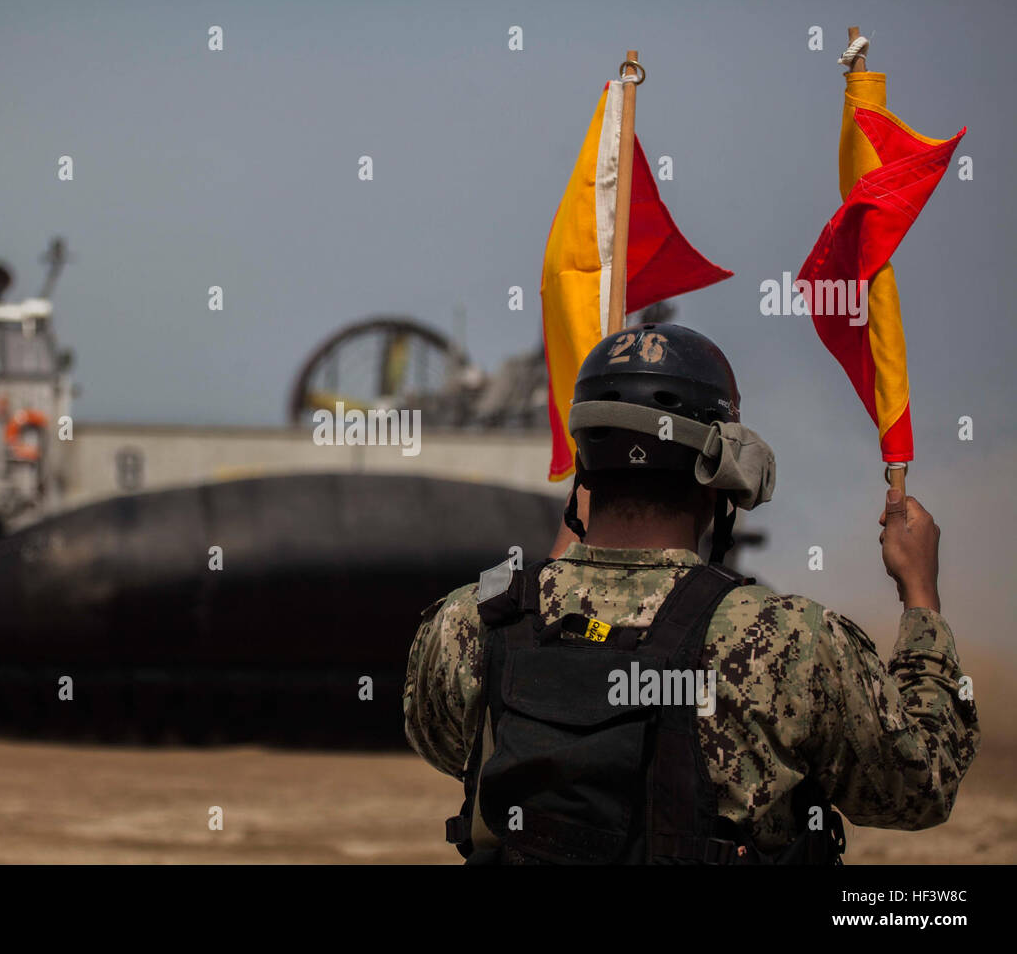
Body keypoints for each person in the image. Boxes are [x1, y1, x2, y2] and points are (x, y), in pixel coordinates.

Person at [403, 323, 979, 864]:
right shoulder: (790, 642)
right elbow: (919, 785)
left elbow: (458, 749)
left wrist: (551, 582)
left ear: (584, 467)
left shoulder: (473, 620)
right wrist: (920, 595)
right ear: (722, 472)